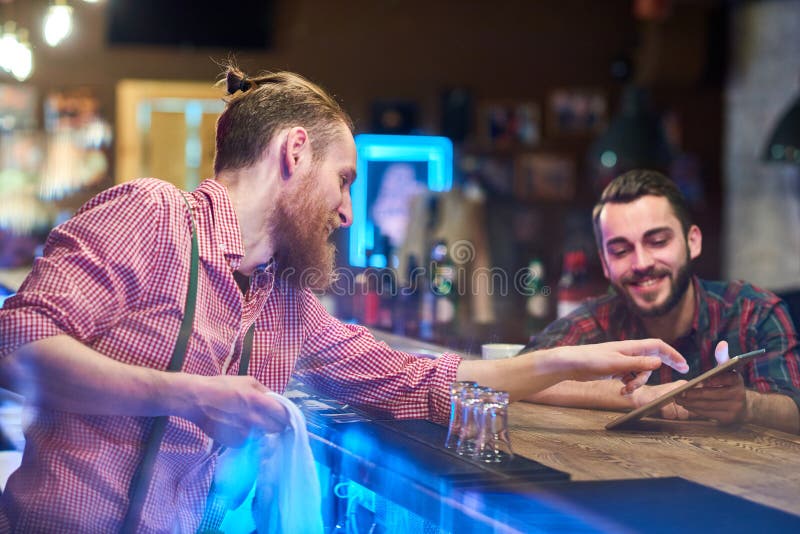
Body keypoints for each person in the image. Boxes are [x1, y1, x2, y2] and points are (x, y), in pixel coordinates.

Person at [0, 66, 687, 532]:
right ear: (295, 152)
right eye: (345, 179)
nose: (348, 211)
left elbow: (421, 379)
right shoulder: (152, 216)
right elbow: (15, 341)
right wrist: (188, 393)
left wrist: (587, 370)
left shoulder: (283, 301)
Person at [523, 169, 800, 434]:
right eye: (620, 250)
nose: (641, 263)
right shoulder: (597, 318)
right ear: (605, 263)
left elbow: (794, 411)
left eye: (657, 241)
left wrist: (747, 405)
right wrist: (636, 396)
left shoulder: (754, 311)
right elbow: (521, 375)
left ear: (692, 242)